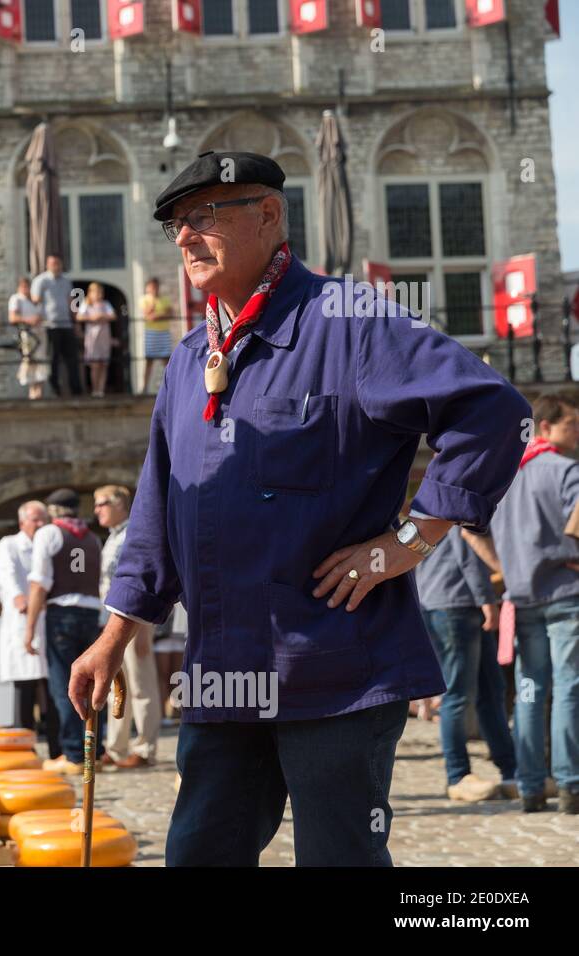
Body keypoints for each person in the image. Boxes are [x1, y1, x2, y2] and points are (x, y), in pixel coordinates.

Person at [73, 150, 530, 866]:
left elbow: (492, 412)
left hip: (338, 673)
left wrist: (410, 539)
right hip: (224, 677)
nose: (187, 237)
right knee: (196, 856)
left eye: (205, 217)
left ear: (268, 214)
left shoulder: (352, 322)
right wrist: (115, 632)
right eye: (176, 225)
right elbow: (160, 513)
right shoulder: (189, 359)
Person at [487, 392, 579, 814]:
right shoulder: (565, 471)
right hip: (564, 592)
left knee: (528, 690)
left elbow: (476, 527)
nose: (576, 432)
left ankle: (529, 787)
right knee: (567, 688)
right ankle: (571, 785)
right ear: (545, 427)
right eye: (570, 424)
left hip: (520, 596)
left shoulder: (507, 474)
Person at [414, 522, 516, 802]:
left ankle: (511, 770)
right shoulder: (458, 497)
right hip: (456, 605)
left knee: (491, 690)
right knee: (458, 695)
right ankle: (457, 775)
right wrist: (487, 602)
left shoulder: (433, 500)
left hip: (448, 603)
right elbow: (466, 551)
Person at [27, 488, 104, 774]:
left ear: (54, 511)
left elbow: (39, 584)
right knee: (93, 684)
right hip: (91, 614)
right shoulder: (94, 540)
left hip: (61, 614)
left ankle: (73, 754)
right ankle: (96, 751)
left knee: (65, 685)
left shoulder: (49, 534)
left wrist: (29, 629)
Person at [96, 484, 159, 769]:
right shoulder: (113, 537)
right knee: (115, 683)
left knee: (140, 681)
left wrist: (143, 626)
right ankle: (117, 746)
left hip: (135, 615)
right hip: (113, 617)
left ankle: (145, 747)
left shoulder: (134, 533)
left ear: (121, 504)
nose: (97, 509)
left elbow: (142, 579)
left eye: (103, 503)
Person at [0, 501, 60, 758]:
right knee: (25, 687)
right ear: (23, 522)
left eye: (44, 519)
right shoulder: (8, 544)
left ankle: (56, 748)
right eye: (36, 519)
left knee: (53, 687)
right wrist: (19, 598)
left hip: (47, 620)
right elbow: (7, 577)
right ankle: (25, 749)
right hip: (22, 621)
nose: (41, 524)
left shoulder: (52, 545)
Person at [31, 255, 81, 397]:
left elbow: (71, 301)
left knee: (71, 357)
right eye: (53, 263)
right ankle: (55, 389)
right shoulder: (41, 281)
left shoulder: (66, 281)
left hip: (66, 324)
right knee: (54, 358)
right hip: (50, 325)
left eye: (58, 263)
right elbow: (35, 300)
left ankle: (75, 388)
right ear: (47, 264)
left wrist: (75, 322)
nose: (56, 266)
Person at [9, 277, 47, 400]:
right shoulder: (16, 299)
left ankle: (39, 391)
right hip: (27, 333)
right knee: (29, 360)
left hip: (39, 332)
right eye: (23, 287)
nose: (26, 289)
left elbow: (43, 315)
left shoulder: (34, 300)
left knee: (41, 359)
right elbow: (13, 318)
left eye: (27, 286)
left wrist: (39, 318)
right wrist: (28, 320)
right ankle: (32, 391)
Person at [77, 282, 116, 398]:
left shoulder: (106, 304)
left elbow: (113, 315)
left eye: (100, 292)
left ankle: (101, 389)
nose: (98, 295)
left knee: (103, 363)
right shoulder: (86, 304)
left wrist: (102, 316)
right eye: (96, 292)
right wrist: (92, 317)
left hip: (103, 337)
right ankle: (95, 389)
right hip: (92, 338)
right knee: (95, 364)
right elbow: (79, 317)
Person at [140, 277, 174, 395]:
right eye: (152, 287)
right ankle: (144, 388)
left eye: (156, 286)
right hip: (151, 333)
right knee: (149, 361)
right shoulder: (144, 300)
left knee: (166, 361)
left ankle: (170, 386)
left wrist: (157, 316)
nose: (155, 289)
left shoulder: (164, 299)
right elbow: (148, 315)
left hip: (163, 332)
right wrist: (154, 304)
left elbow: (171, 313)